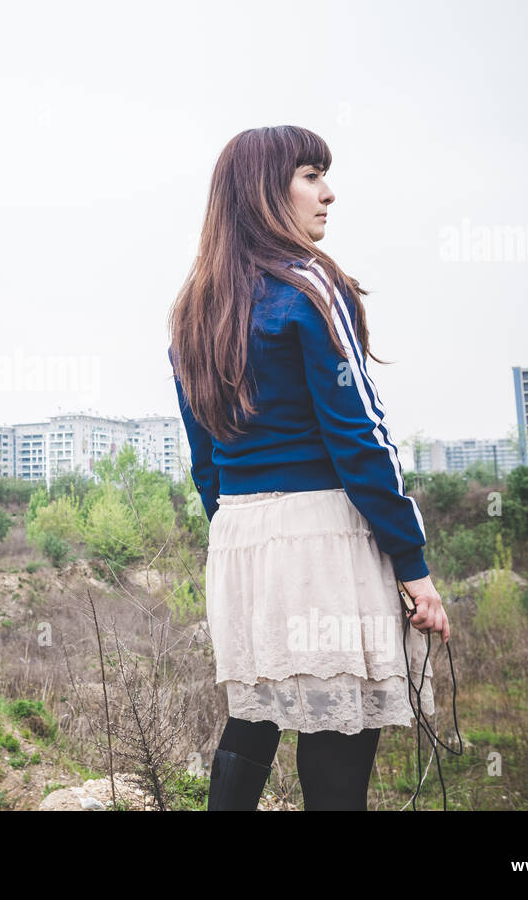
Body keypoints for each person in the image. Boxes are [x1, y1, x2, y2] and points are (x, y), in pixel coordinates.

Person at [167, 125, 451, 811]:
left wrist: (244, 533)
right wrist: (413, 566)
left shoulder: (192, 309)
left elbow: (205, 461)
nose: (328, 192)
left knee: (253, 718)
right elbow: (361, 438)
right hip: (323, 534)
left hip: (238, 536)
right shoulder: (312, 286)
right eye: (309, 175)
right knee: (333, 726)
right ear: (266, 190)